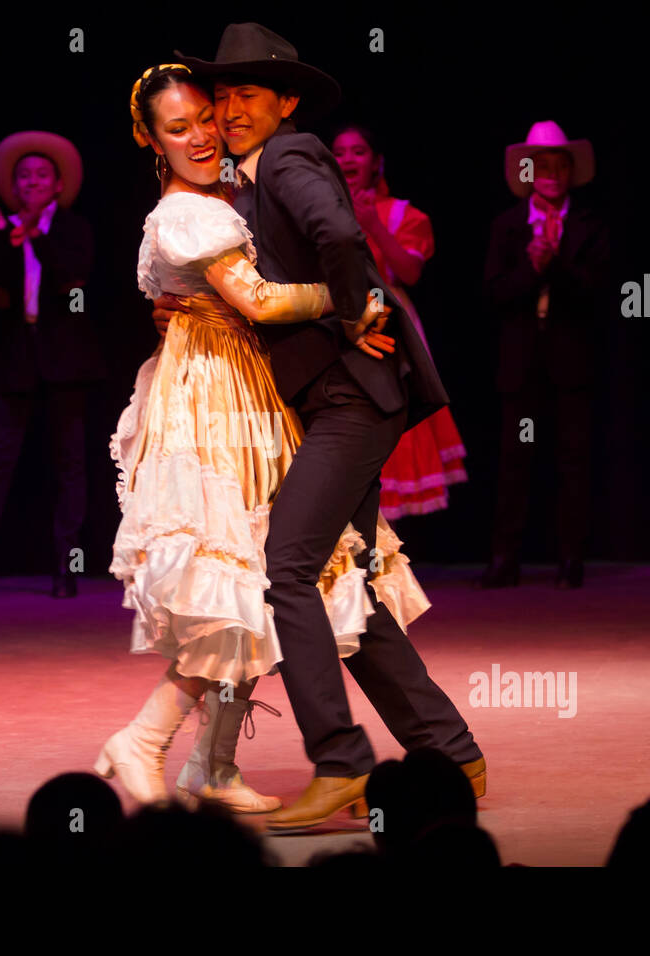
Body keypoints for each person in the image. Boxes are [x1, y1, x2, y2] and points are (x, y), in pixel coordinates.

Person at [160, 24, 485, 830]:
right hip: (340, 398)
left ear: (287, 103)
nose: (231, 110)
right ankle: (451, 752)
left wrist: (350, 313)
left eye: (249, 95)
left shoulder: (292, 154)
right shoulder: (252, 174)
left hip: (351, 396)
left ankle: (341, 763)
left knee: (288, 567)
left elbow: (340, 239)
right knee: (349, 584)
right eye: (223, 95)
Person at [97, 63, 426, 814]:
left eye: (204, 117)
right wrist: (352, 305)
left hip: (244, 383)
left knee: (256, 577)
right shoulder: (190, 211)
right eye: (177, 128)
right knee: (239, 575)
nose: (200, 135)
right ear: (151, 138)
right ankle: (145, 740)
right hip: (215, 397)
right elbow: (261, 299)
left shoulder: (226, 195)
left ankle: (210, 764)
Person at [0, 132, 105, 599]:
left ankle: (65, 567)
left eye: (41, 175)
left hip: (66, 357)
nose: (32, 182)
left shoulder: (74, 227)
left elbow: (71, 278)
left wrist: (35, 235)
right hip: (17, 356)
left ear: (57, 185)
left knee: (69, 465)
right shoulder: (4, 228)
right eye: (24, 176)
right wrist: (3, 238)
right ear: (14, 186)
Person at [479, 121, 609, 590]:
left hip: (572, 358)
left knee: (573, 460)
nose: (551, 173)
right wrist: (531, 270)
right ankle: (504, 559)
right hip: (521, 360)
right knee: (515, 460)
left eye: (560, 164)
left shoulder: (590, 224)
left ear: (572, 171)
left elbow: (599, 292)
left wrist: (556, 264)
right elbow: (493, 293)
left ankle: (571, 559)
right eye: (542, 165)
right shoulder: (508, 226)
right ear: (529, 173)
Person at [333, 123, 468, 519]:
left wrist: (372, 222)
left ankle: (388, 551)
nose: (348, 159)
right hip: (337, 318)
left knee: (388, 417)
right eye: (340, 152)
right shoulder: (320, 213)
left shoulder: (404, 214)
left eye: (358, 151)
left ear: (377, 162)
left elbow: (409, 272)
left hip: (388, 319)